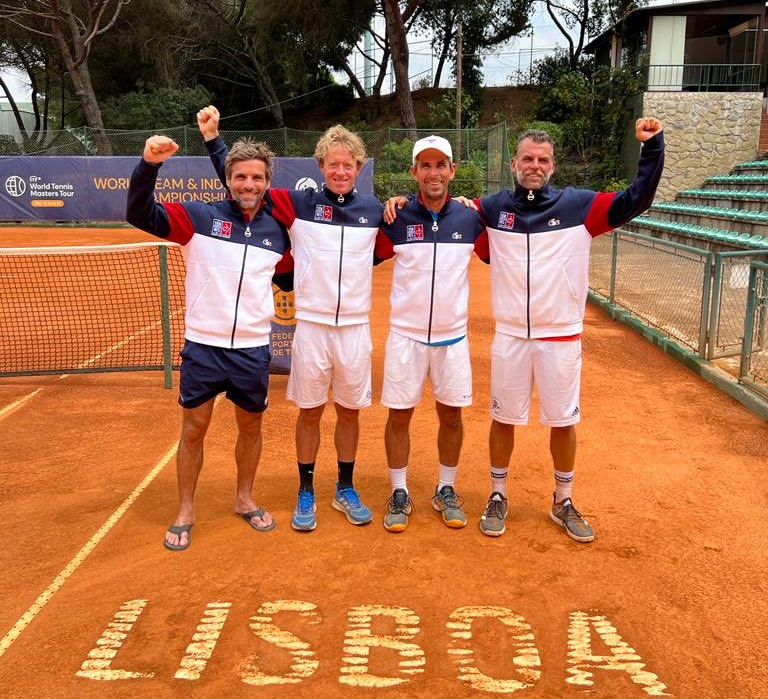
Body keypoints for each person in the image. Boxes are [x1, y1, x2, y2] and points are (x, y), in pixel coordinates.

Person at [473, 118, 664, 541]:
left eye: (542, 160)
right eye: (527, 158)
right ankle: (499, 494)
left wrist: (652, 148)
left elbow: (638, 198)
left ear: (553, 166)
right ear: (514, 163)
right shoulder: (491, 209)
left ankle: (562, 500)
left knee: (562, 421)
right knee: (503, 418)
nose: (534, 165)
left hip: (560, 336)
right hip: (511, 336)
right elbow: (447, 215)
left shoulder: (579, 206)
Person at [199, 106, 389, 532]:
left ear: (358, 168)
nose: (341, 171)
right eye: (333, 164)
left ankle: (344, 487)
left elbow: (410, 225)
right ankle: (306, 491)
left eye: (348, 165)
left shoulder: (375, 211)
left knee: (350, 412)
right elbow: (243, 184)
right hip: (313, 328)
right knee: (309, 411)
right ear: (321, 166)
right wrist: (215, 141)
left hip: (356, 327)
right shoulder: (297, 204)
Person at [126, 134, 292, 550]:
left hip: (253, 349)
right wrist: (149, 164)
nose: (248, 184)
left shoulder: (279, 233)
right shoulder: (199, 218)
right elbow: (139, 213)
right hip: (203, 347)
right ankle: (185, 510)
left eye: (256, 177)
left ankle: (244, 498)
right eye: (239, 176)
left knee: (250, 427)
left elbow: (290, 275)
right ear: (228, 179)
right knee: (194, 428)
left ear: (267, 181)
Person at [377, 136, 487, 532]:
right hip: (405, 337)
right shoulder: (396, 217)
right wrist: (391, 202)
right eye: (425, 165)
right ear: (414, 173)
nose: (433, 172)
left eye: (441, 164)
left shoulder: (472, 218)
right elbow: (363, 252)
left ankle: (445, 488)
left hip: (452, 338)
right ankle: (400, 491)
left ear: (453, 170)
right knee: (399, 416)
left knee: (451, 417)